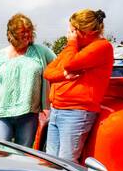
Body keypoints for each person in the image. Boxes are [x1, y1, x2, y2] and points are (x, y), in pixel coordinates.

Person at [42, 9, 113, 161]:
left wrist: (72, 44)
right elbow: (48, 72)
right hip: (57, 109)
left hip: (76, 112)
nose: (70, 35)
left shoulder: (102, 47)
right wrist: (64, 75)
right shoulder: (74, 49)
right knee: (50, 161)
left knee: (66, 164)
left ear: (86, 32)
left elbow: (69, 63)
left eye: (73, 31)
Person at [0, 13, 54, 147]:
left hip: (28, 114)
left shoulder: (41, 52)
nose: (27, 36)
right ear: (11, 35)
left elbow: (60, 65)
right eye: (23, 33)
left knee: (23, 156)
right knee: (0, 152)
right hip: (2, 114)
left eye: (30, 32)